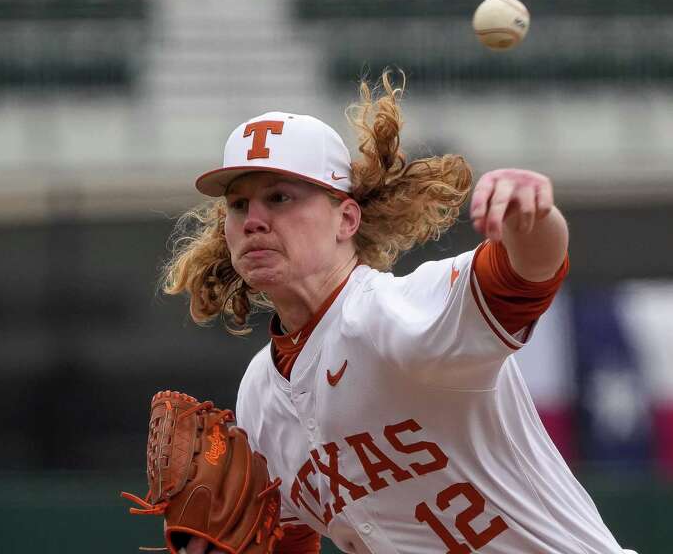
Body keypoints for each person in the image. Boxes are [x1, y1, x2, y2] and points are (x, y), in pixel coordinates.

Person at [163, 71, 629, 553]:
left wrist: (534, 219)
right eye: (238, 205)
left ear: (346, 219)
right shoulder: (260, 396)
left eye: (280, 198)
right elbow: (287, 541)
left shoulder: (396, 311)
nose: (254, 220)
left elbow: (524, 279)